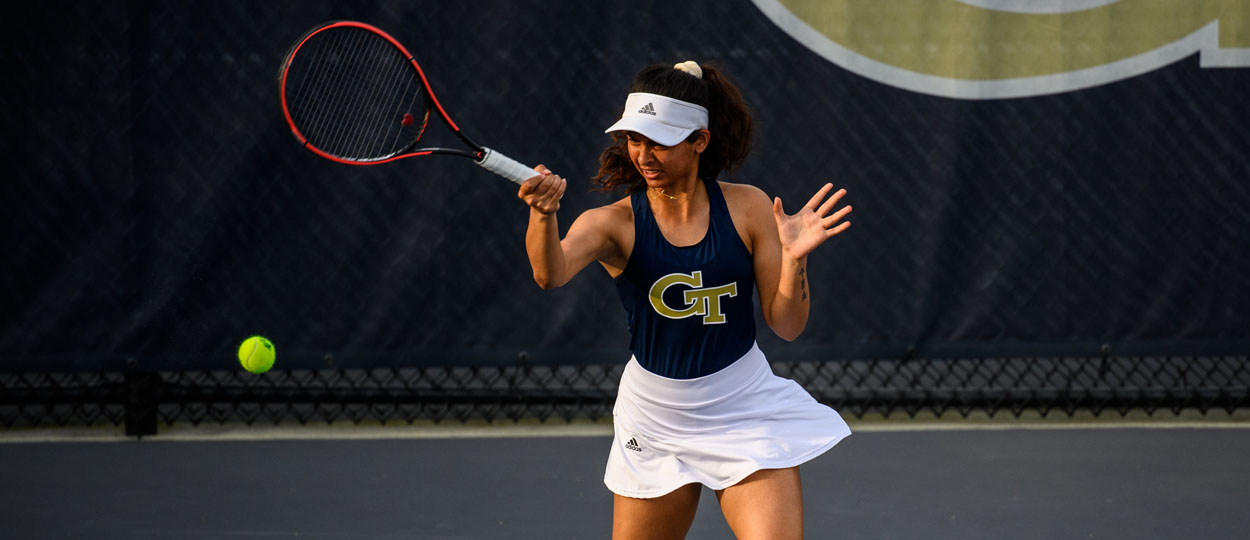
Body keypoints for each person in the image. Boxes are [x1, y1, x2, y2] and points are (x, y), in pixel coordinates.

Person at [517, 60, 853, 540]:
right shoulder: (613, 224)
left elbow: (787, 325)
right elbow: (549, 274)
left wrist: (795, 260)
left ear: (700, 140)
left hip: (744, 409)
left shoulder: (748, 207)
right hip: (654, 421)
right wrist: (543, 216)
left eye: (660, 141)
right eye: (635, 139)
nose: (644, 154)